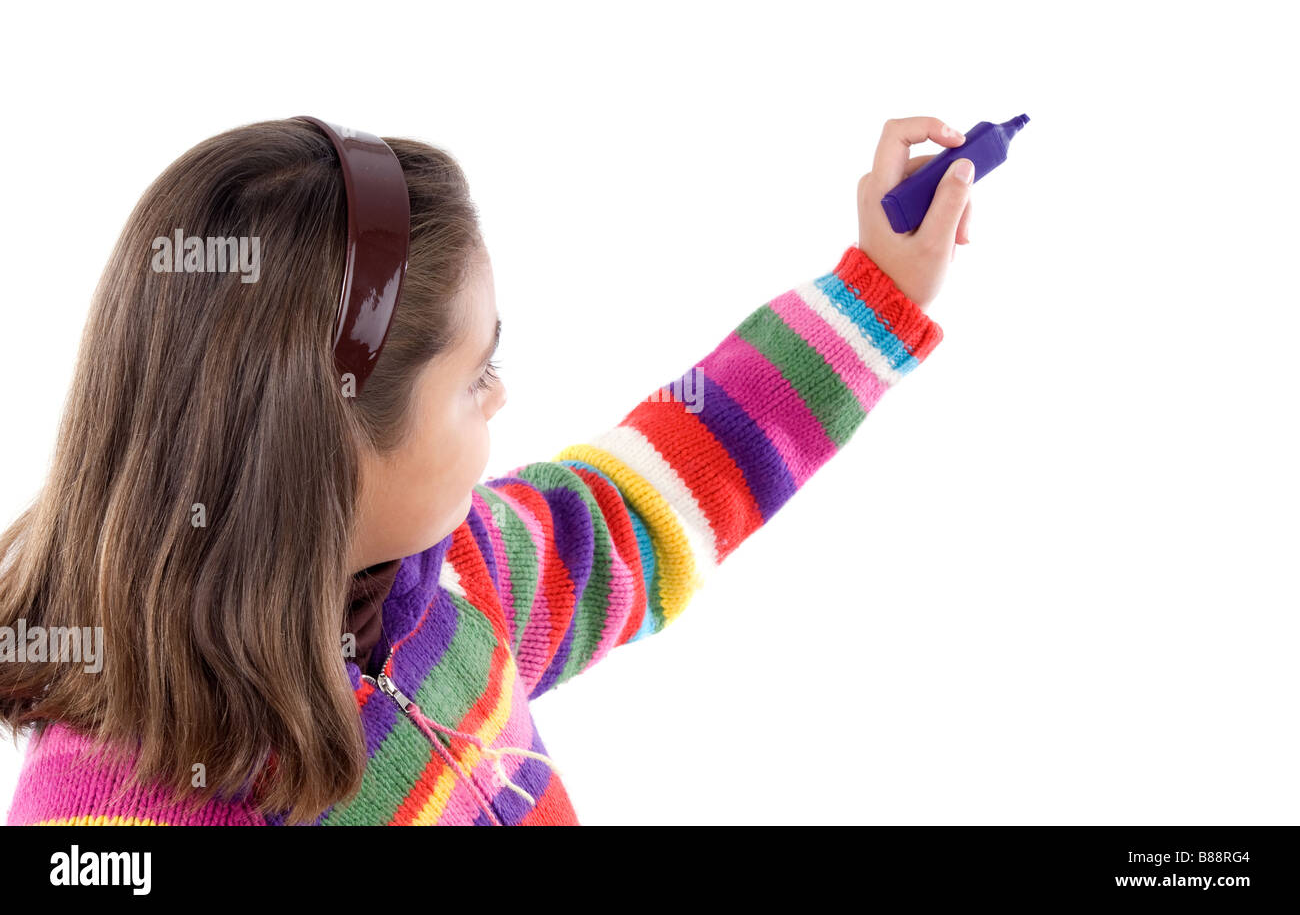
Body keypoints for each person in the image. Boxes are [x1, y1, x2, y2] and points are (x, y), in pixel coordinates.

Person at [1, 115, 974, 825]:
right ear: (329, 449)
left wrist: (876, 292)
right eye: (478, 376)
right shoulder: (117, 818)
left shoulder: (454, 581)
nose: (502, 398)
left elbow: (665, 481)